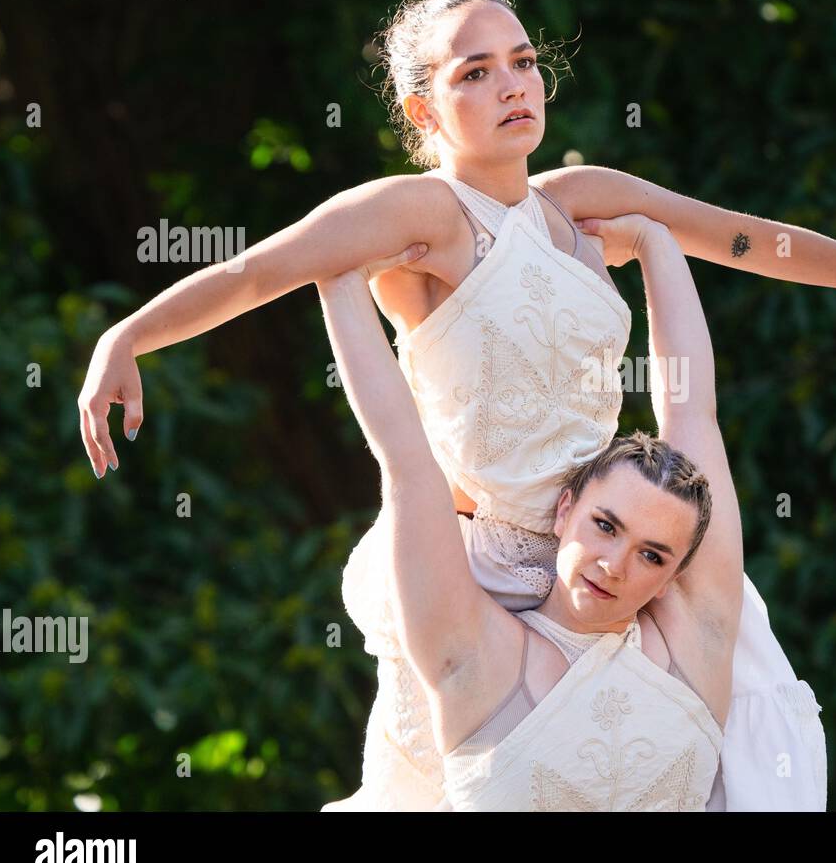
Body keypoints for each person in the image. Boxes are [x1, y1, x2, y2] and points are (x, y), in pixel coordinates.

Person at [77, 0, 836, 809]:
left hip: (616, 539)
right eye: (477, 72)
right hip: (492, 572)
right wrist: (128, 337)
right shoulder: (422, 216)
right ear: (427, 107)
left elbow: (744, 239)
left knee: (719, 757)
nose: (514, 85)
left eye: (523, 62)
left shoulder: (582, 199)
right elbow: (256, 270)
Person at [317, 213, 739, 810]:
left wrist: (655, 243)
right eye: (605, 525)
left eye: (652, 554)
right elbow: (408, 465)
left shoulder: (702, 642)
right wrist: (337, 275)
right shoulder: (479, 656)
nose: (615, 564)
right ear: (565, 509)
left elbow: (694, 411)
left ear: (674, 577)